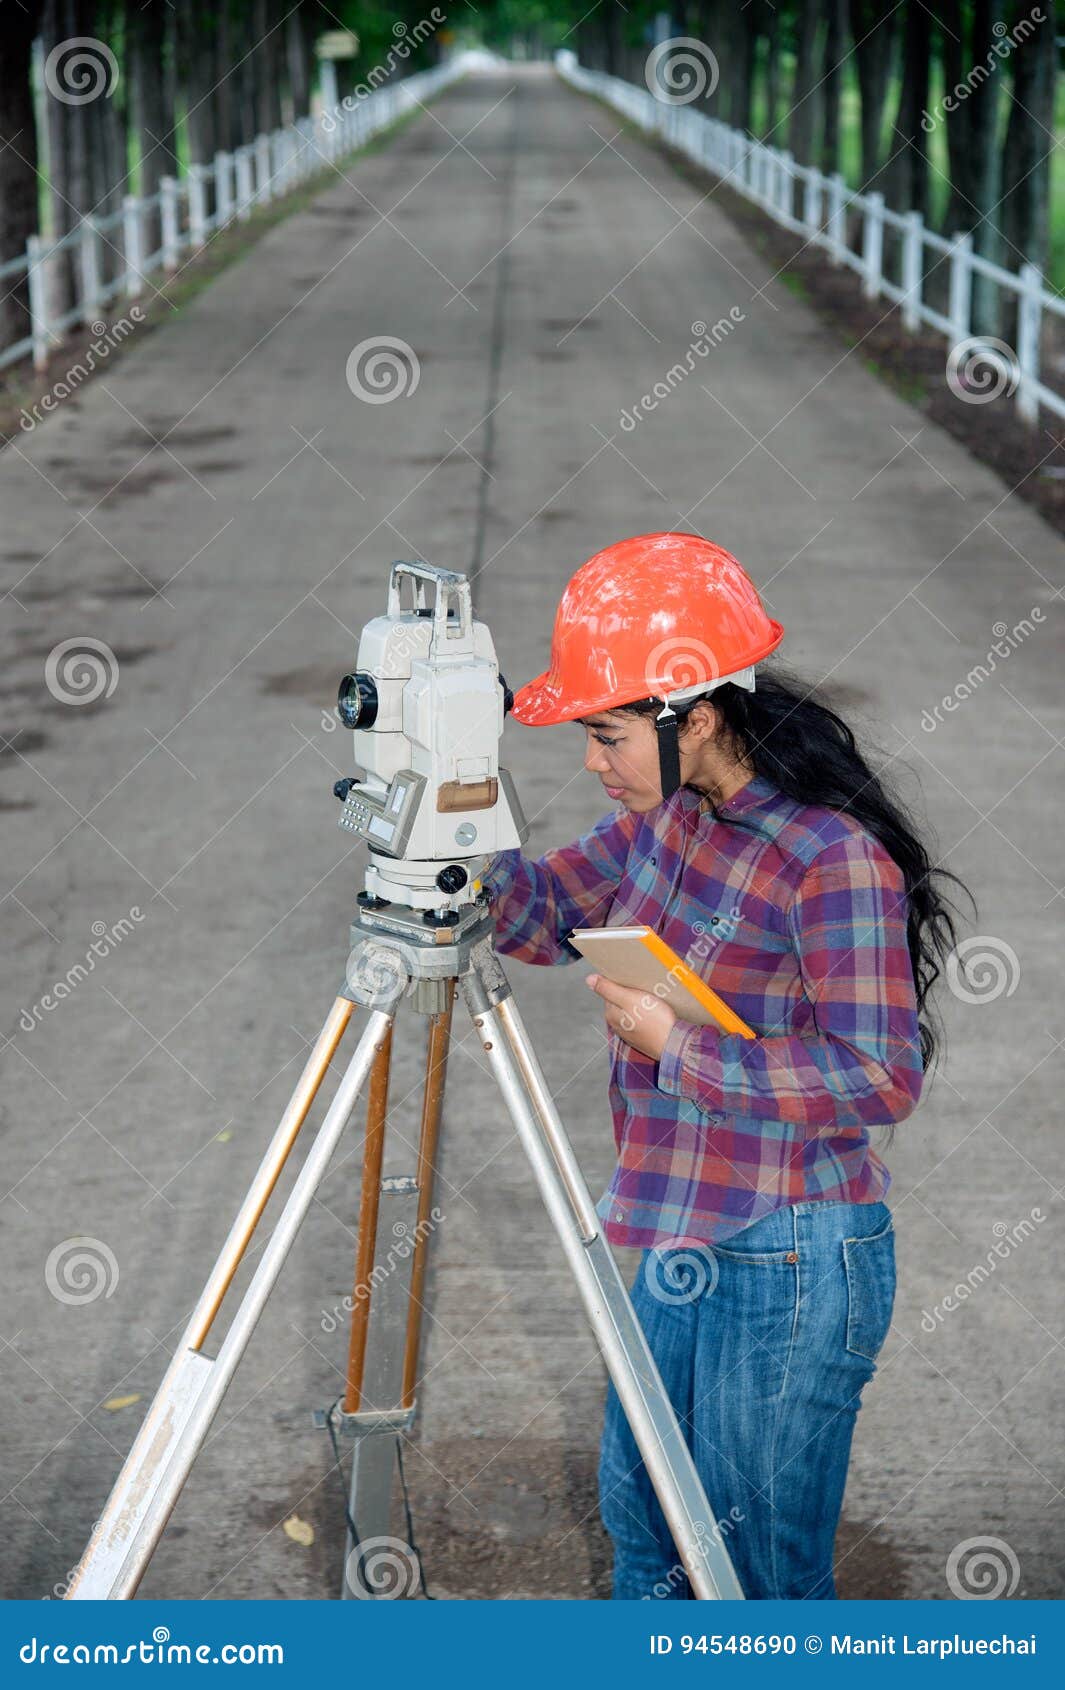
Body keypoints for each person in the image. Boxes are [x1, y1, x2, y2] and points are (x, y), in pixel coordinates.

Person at [478, 530, 973, 1601]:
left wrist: (681, 1049)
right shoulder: (664, 821)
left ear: (693, 717)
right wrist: (448, 831)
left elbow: (879, 1075)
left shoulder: (829, 858)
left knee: (758, 1577)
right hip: (676, 1236)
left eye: (607, 734)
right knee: (648, 1540)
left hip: (789, 1254)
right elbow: (541, 914)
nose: (592, 761)